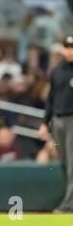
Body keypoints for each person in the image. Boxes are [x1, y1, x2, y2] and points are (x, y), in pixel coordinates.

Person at [38, 36, 73, 213]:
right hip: (58, 119)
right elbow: (51, 99)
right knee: (65, 162)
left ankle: (69, 204)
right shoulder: (58, 71)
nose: (70, 51)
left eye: (72, 47)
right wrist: (45, 123)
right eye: (67, 47)